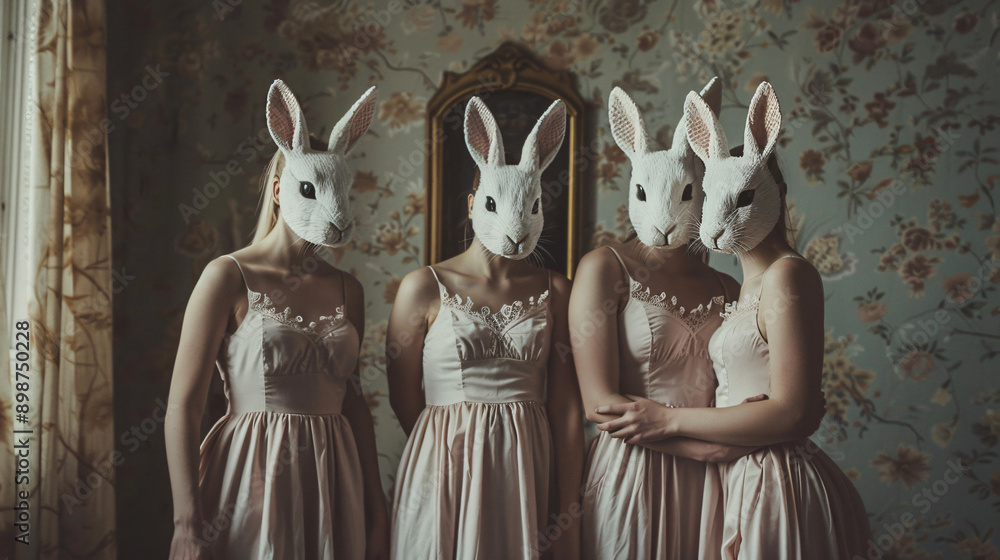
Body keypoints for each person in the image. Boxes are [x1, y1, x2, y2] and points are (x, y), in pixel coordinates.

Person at [595, 81, 870, 559]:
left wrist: (665, 419)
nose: (719, 216)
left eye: (740, 196)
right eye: (710, 194)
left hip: (778, 484)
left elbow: (794, 411)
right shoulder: (738, 290)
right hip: (735, 479)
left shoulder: (789, 276)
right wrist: (719, 442)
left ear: (776, 194)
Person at [165, 80, 389, 560]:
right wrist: (186, 522)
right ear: (277, 187)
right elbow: (182, 406)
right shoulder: (227, 276)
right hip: (250, 474)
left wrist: (377, 507)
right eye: (310, 189)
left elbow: (352, 402)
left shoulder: (349, 288)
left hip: (334, 475)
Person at [572, 80, 765, 560]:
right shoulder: (605, 267)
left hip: (713, 481)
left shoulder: (728, 287)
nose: (665, 216)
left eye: (685, 193)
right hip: (633, 470)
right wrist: (702, 450)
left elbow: (745, 392)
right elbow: (600, 405)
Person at [387, 96, 583, 560]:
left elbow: (567, 404)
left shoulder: (558, 290)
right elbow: (402, 391)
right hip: (443, 469)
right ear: (474, 202)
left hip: (527, 468)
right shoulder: (423, 287)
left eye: (531, 205)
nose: (515, 227)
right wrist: (455, 447)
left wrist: (567, 502)